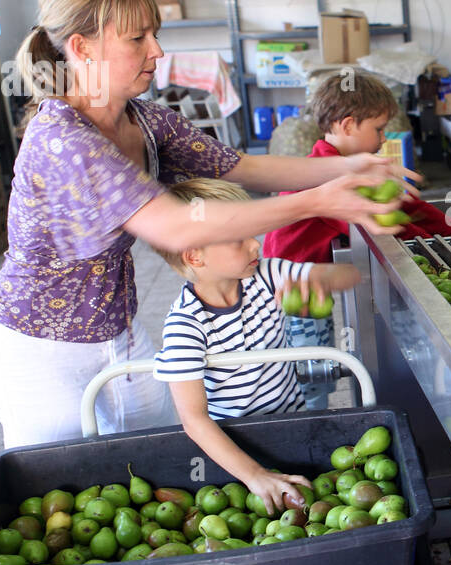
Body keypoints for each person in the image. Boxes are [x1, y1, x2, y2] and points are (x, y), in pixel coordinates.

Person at [0, 0, 419, 449]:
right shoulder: (63, 139)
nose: (157, 51)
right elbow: (179, 227)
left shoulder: (145, 120)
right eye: (137, 39)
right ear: (81, 47)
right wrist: (317, 201)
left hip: (117, 330)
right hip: (40, 347)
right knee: (53, 479)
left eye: (156, 35)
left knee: (144, 458)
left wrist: (351, 168)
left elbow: (246, 167)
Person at [263, 72, 451, 409]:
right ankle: (310, 429)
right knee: (310, 374)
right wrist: (438, 251)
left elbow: (407, 208)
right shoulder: (328, 174)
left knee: (318, 360)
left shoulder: (353, 170)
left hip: (317, 280)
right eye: (378, 129)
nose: (383, 137)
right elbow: (381, 224)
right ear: (347, 126)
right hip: (292, 286)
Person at [151, 179, 355, 514]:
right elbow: (194, 420)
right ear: (194, 256)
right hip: (234, 455)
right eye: (238, 239)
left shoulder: (268, 275)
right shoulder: (185, 328)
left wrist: (318, 283)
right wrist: (255, 476)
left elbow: (348, 275)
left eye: (252, 232)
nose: (255, 246)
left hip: (293, 427)